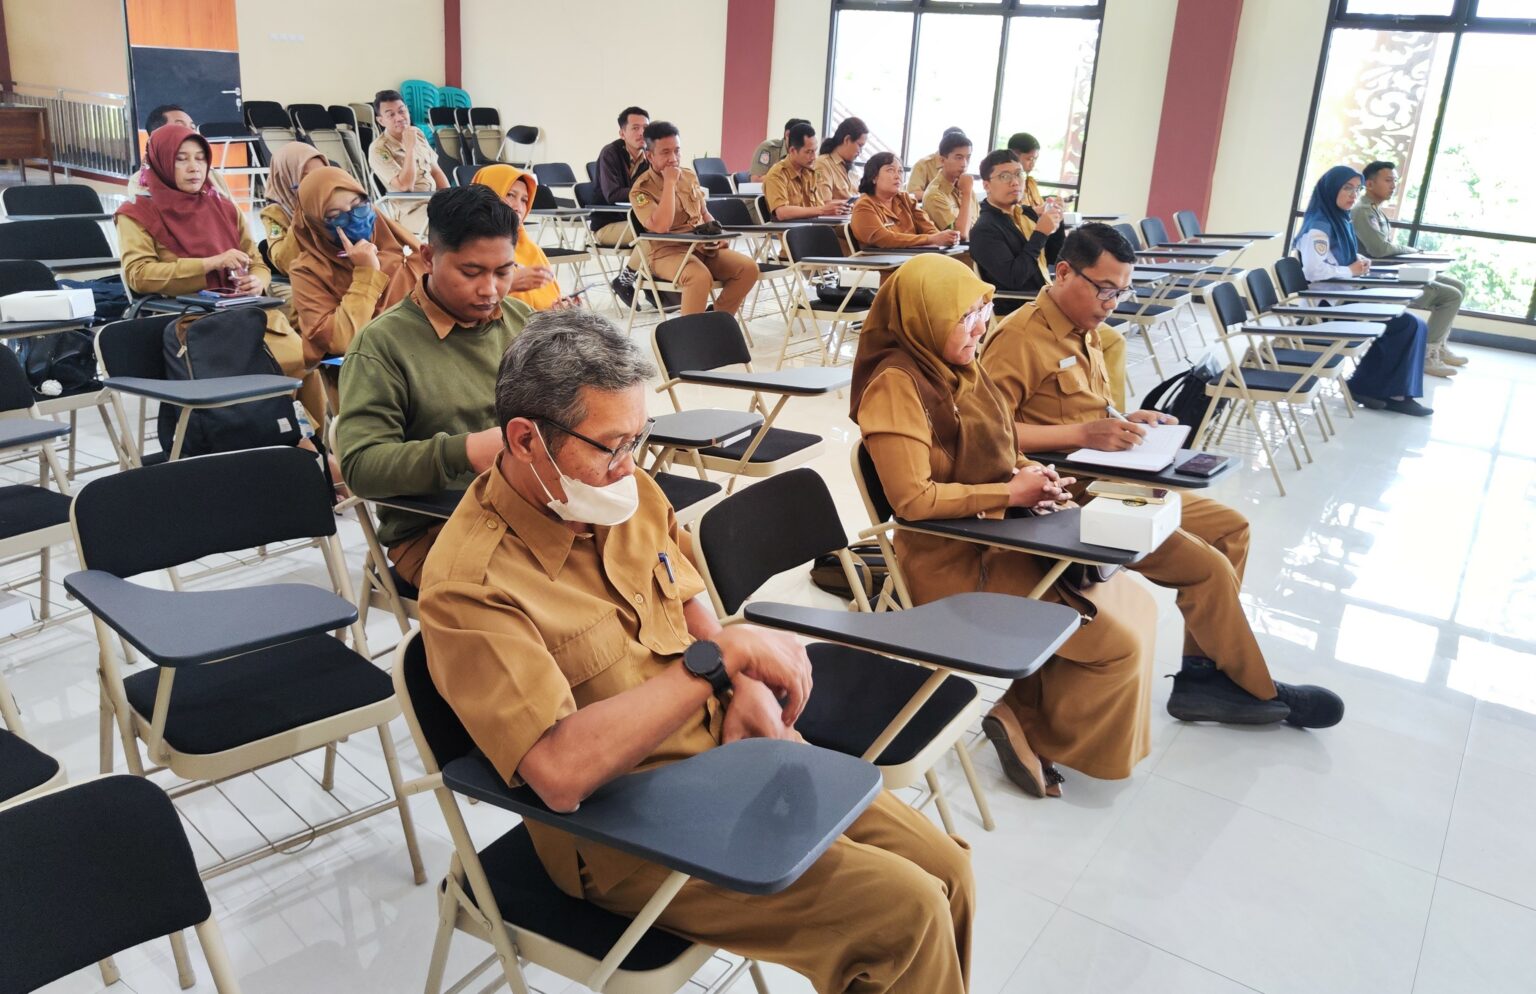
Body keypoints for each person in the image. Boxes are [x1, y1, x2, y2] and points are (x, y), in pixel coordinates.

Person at [419, 309, 974, 993]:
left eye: (637, 439)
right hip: (625, 828)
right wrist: (717, 666)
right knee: (907, 913)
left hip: (726, 747)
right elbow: (559, 772)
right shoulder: (472, 585)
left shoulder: (623, 494)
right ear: (526, 439)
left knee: (949, 871)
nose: (628, 466)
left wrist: (743, 686)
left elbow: (686, 605)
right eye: (611, 446)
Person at [982, 223, 1346, 731]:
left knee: (1231, 529)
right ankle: (1252, 685)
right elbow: (988, 435)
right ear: (1063, 272)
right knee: (1208, 567)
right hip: (1070, 498)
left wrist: (1125, 420)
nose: (1112, 302)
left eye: (1121, 291)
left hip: (1111, 478)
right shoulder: (1021, 337)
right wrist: (1083, 433)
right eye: (1104, 288)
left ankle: (1203, 673)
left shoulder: (1085, 327)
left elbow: (1083, 408)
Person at [851, 254, 1155, 799]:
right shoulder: (896, 385)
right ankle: (1032, 728)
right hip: (953, 558)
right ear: (925, 318)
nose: (980, 327)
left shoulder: (960, 368)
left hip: (997, 535)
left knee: (1136, 605)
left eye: (983, 311)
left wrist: (1031, 474)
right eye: (965, 316)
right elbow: (913, 501)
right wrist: (1010, 494)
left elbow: (1000, 444)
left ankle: (1022, 712)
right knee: (1118, 643)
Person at [337, 186, 534, 589]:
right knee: (553, 597)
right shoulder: (383, 345)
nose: (490, 290)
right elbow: (360, 468)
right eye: (471, 272)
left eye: (503, 272)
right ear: (428, 257)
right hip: (438, 529)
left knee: (643, 552)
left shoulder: (521, 321)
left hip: (531, 510)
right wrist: (462, 451)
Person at [114, 123, 305, 391]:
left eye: (200, 158)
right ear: (161, 163)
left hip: (247, 309)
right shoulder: (137, 212)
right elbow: (139, 275)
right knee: (275, 366)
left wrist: (257, 281)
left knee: (302, 361)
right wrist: (210, 264)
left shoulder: (223, 207)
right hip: (192, 318)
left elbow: (255, 260)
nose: (194, 167)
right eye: (181, 159)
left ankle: (308, 420)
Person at [1296, 166, 1433, 417]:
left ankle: (1372, 388)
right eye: (1346, 188)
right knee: (1407, 325)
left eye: (1356, 189)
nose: (1353, 194)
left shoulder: (1339, 219)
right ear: (1330, 189)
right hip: (1326, 307)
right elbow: (1314, 271)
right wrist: (1350, 270)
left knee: (1411, 324)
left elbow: (1335, 257)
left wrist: (1357, 260)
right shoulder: (1319, 227)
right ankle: (1378, 390)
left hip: (1344, 297)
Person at [288, 165, 426, 366]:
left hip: (423, 356)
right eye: (336, 216)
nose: (354, 219)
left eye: (358, 206)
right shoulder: (308, 271)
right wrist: (366, 275)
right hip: (365, 370)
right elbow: (341, 341)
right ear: (316, 224)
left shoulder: (399, 244)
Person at [628, 121, 760, 317]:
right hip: (667, 253)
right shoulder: (641, 189)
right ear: (650, 156)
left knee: (748, 269)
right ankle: (691, 332)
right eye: (665, 153)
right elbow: (661, 226)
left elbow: (704, 213)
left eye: (677, 151)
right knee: (699, 277)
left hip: (702, 247)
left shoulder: (689, 176)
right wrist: (670, 183)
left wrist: (717, 234)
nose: (673, 159)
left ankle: (716, 320)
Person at [1351, 160, 1466, 377]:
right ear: (1370, 184)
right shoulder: (1362, 212)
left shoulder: (1375, 211)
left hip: (1388, 271)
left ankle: (1438, 346)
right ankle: (1427, 355)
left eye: (1395, 181)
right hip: (1376, 279)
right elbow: (1380, 249)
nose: (1393, 186)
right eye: (1388, 180)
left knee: (1458, 286)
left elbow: (1384, 248)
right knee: (1451, 296)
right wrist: (1412, 251)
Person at [472, 163, 585, 311]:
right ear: (485, 197)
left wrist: (560, 309)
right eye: (510, 195)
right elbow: (464, 308)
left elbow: (543, 305)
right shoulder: (468, 249)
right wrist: (509, 285)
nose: (518, 207)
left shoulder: (531, 249)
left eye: (524, 200)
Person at [368, 89, 449, 238]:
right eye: (391, 115)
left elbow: (436, 171)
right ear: (381, 121)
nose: (399, 118)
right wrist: (410, 148)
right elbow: (405, 186)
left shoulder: (417, 133)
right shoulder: (379, 149)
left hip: (435, 202)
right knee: (451, 226)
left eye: (402, 111)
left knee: (474, 215)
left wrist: (451, 198)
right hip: (410, 212)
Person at [594, 105, 651, 306]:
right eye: (635, 128)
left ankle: (651, 285)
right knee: (652, 235)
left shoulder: (650, 157)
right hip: (607, 225)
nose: (641, 133)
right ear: (622, 133)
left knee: (666, 230)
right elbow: (613, 194)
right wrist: (647, 195)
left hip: (636, 221)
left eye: (645, 128)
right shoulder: (610, 154)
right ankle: (624, 280)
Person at [849, 152, 959, 251]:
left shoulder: (906, 199)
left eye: (900, 171)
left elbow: (929, 229)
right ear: (874, 177)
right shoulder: (864, 205)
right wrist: (930, 239)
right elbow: (884, 238)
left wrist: (944, 238)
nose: (898, 176)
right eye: (890, 170)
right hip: (884, 263)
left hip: (913, 257)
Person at [128, 104, 234, 202]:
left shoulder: (211, 175)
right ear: (157, 136)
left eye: (192, 128)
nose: (189, 132)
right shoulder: (141, 183)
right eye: (180, 127)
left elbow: (235, 213)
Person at [259, 142, 328, 277]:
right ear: (286, 178)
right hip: (309, 277)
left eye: (321, 173)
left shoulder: (338, 201)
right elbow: (284, 263)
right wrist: (301, 214)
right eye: (306, 176)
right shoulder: (273, 214)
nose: (317, 182)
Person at [761, 122, 849, 221]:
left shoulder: (811, 171)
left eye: (815, 151)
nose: (814, 157)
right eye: (809, 152)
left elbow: (819, 205)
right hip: (792, 229)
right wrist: (822, 210)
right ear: (792, 150)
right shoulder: (777, 175)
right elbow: (782, 213)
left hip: (815, 224)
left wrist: (839, 208)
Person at [920, 131, 977, 238]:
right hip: (956, 249)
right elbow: (961, 235)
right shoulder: (934, 195)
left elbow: (979, 225)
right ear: (942, 160)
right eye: (959, 158)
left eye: (968, 158)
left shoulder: (965, 185)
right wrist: (966, 194)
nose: (964, 164)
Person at [815, 116, 867, 204]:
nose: (860, 152)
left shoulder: (852, 168)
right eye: (859, 145)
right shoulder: (822, 164)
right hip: (838, 213)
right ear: (847, 140)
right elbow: (824, 203)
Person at [906, 127, 966, 196]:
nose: (963, 162)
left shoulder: (962, 164)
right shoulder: (923, 165)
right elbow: (912, 194)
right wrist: (938, 196)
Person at [748, 117, 809, 181]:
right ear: (787, 134)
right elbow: (756, 180)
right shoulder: (769, 148)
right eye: (801, 138)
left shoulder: (807, 153)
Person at [1005, 133, 1052, 214]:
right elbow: (1010, 214)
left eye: (1035, 159)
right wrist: (1036, 211)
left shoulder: (1030, 183)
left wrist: (1050, 206)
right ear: (1014, 156)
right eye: (1030, 159)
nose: (1033, 164)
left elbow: (1041, 207)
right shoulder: (1005, 185)